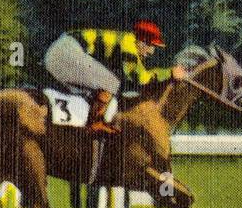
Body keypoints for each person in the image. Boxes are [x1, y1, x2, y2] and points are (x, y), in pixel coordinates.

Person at [42, 19, 183, 135]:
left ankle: (84, 121)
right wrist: (170, 73)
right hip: (64, 51)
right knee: (110, 82)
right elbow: (142, 79)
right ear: (141, 40)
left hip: (64, 48)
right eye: (150, 45)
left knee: (104, 84)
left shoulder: (129, 42)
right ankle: (95, 123)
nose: (152, 52)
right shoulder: (128, 45)